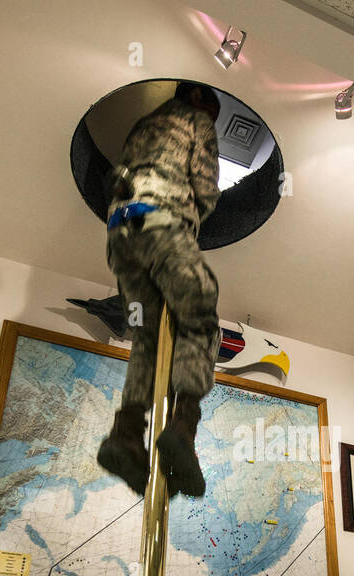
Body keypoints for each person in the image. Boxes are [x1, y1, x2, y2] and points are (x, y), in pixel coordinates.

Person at [96, 82, 223, 498]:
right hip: (163, 221)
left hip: (119, 235)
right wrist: (199, 213)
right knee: (199, 316)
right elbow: (204, 186)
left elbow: (115, 179)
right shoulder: (197, 119)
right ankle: (183, 428)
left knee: (147, 336)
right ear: (200, 99)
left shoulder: (142, 126)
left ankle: (127, 433)